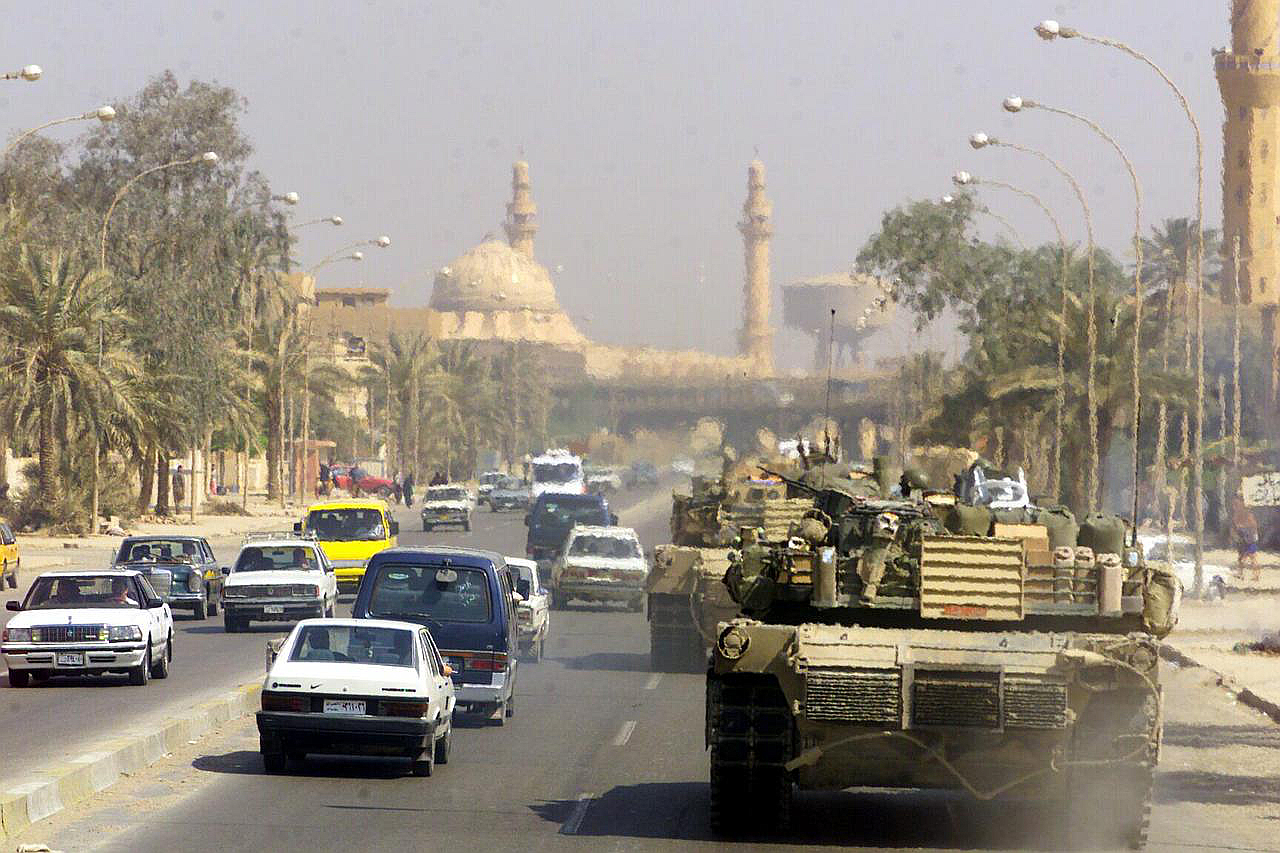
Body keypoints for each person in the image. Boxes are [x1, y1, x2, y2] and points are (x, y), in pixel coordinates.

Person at [1230, 492, 1261, 582]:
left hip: (1247, 534)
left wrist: (1253, 534)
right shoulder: (1240, 512)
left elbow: (1253, 524)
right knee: (1243, 557)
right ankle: (1241, 573)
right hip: (1243, 534)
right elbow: (1235, 525)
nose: (1234, 506)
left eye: (1236, 504)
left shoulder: (1246, 512)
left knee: (1251, 556)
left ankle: (1254, 575)